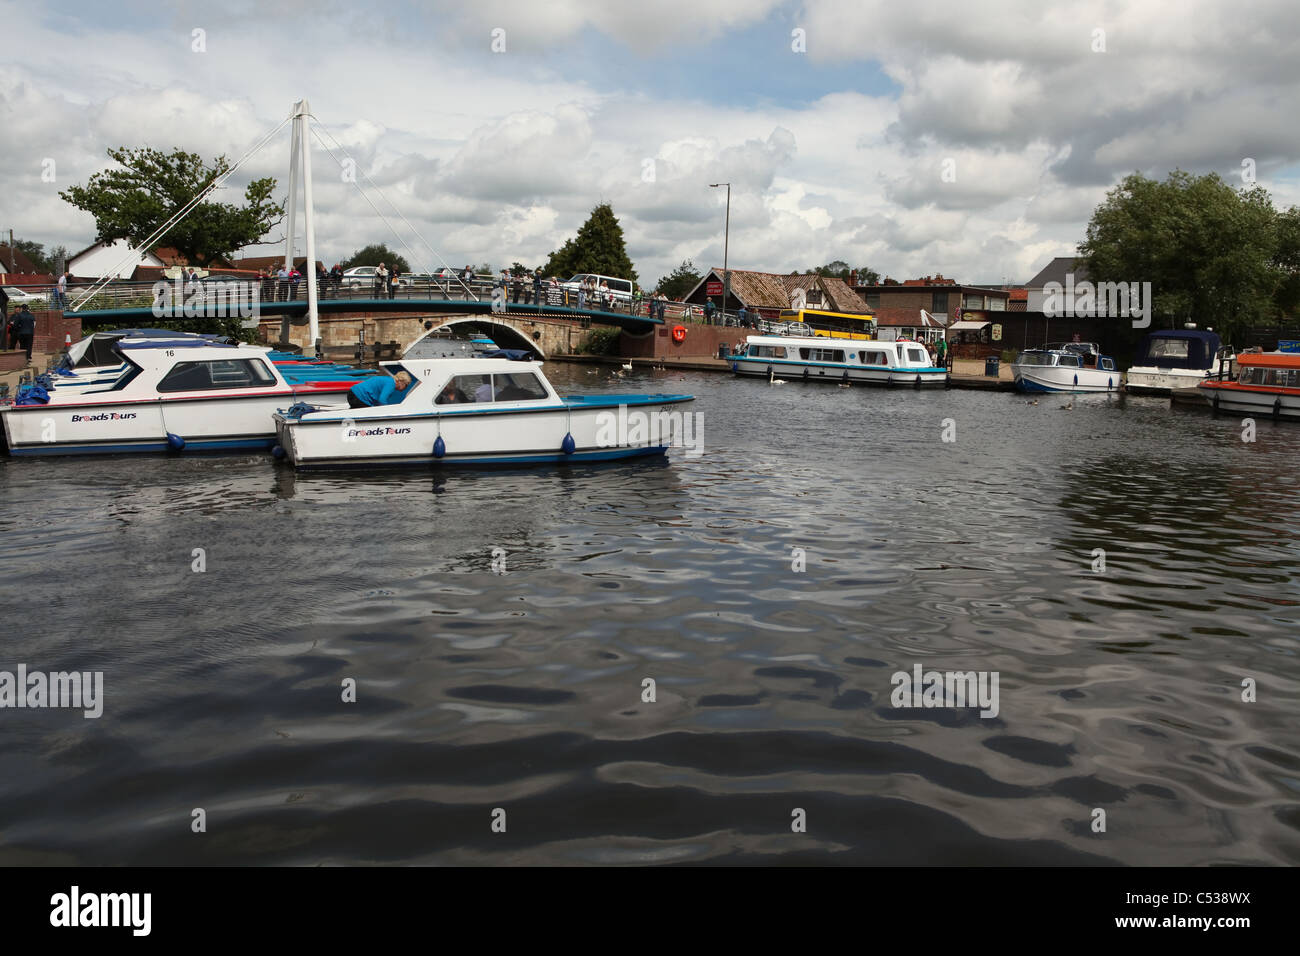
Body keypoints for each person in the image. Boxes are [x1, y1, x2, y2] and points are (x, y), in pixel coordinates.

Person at [347, 370, 414, 409]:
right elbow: (382, 399)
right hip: (359, 397)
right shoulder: (391, 383)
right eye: (406, 385)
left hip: (353, 393)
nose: (406, 387)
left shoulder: (388, 380)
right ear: (401, 381)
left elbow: (378, 401)